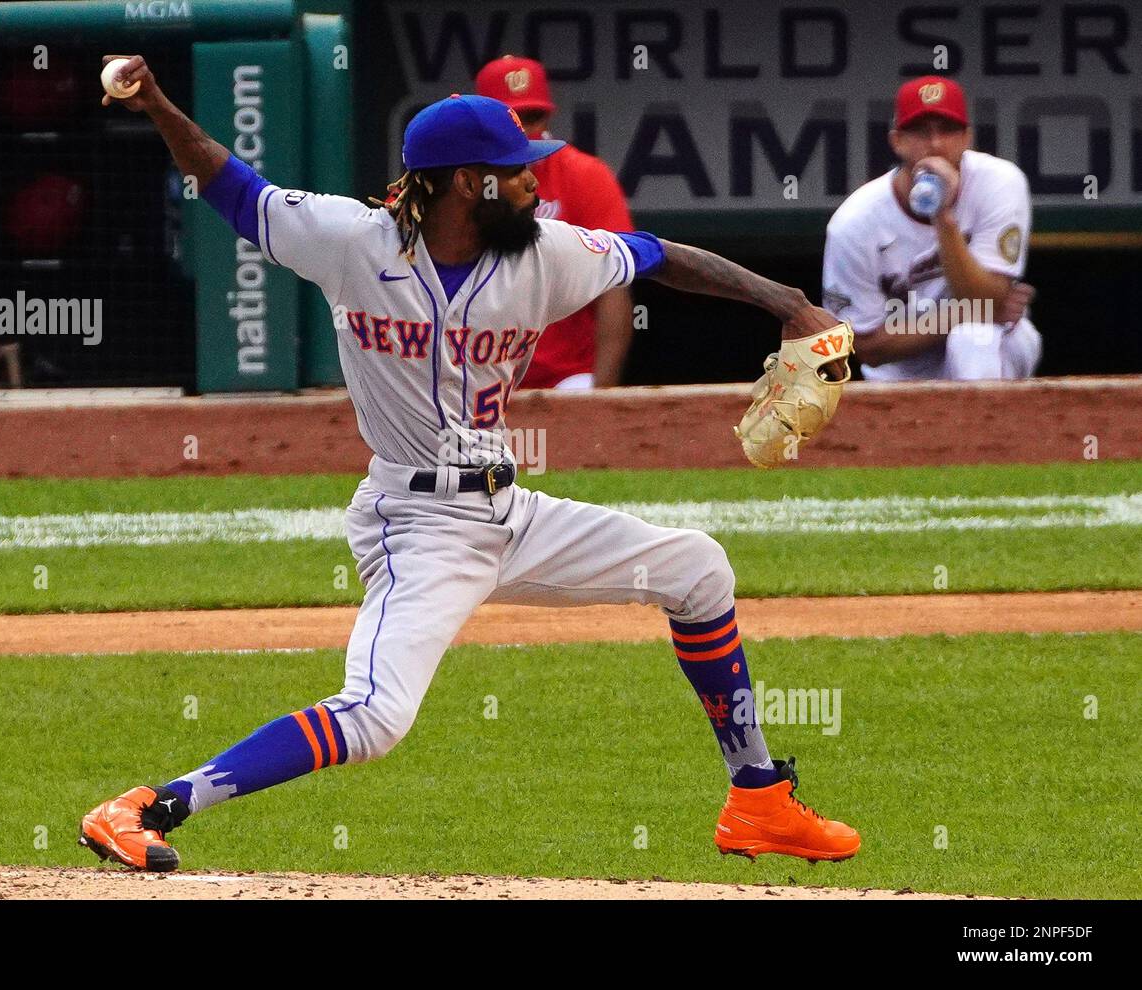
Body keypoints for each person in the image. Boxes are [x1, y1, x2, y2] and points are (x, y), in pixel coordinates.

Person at [79, 55, 860, 872]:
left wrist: (792, 304)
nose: (535, 180)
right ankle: (146, 805)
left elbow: (659, 256)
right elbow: (232, 186)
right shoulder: (352, 243)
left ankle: (760, 801)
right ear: (464, 184)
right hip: (416, 524)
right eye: (516, 172)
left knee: (698, 569)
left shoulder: (548, 253)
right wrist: (157, 100)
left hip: (509, 512)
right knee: (376, 717)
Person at [822, 76, 1041, 380]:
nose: (936, 144)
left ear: (967, 138)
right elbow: (864, 345)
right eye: (921, 132)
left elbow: (989, 303)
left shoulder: (999, 182)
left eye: (948, 130)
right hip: (900, 372)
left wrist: (943, 217)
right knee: (969, 325)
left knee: (972, 338)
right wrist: (960, 315)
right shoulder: (854, 223)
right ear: (897, 141)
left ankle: (987, 428)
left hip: (995, 345)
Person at [475, 55, 634, 389]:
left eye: (534, 116)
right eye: (514, 118)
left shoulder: (585, 175)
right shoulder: (460, 181)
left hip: (567, 377)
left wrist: (601, 394)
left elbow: (614, 287)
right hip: (476, 374)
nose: (527, 129)